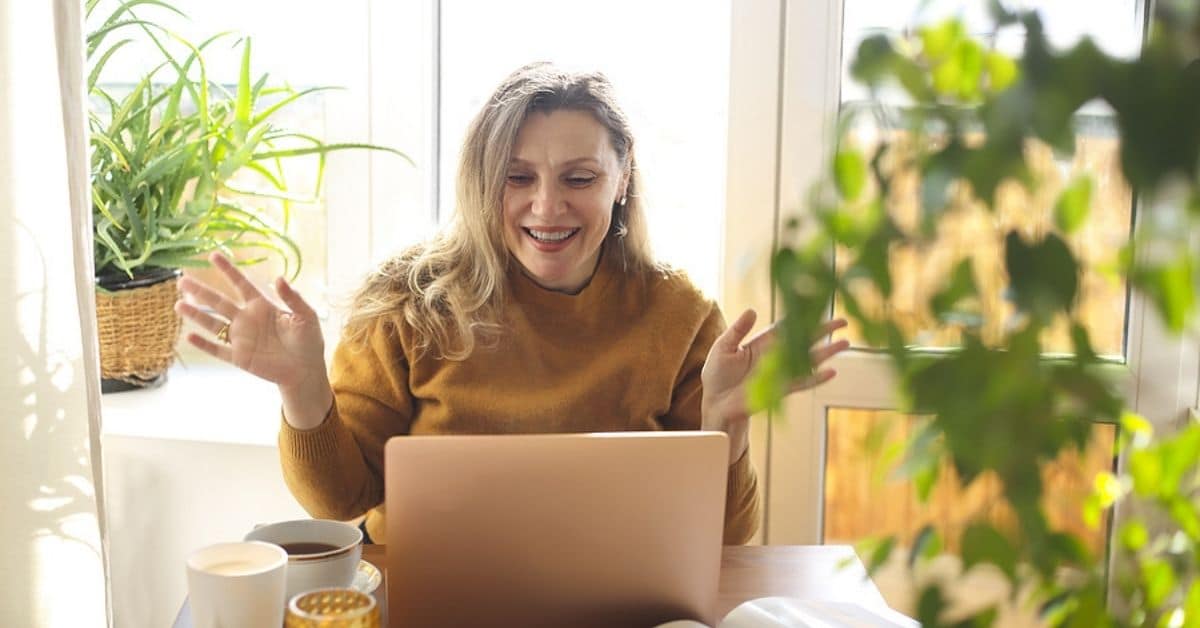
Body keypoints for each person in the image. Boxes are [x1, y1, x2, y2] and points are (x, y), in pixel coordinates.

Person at [174, 62, 849, 545]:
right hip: (428, 595)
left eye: (579, 177)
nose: (547, 207)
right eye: (516, 178)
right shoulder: (407, 303)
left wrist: (725, 426)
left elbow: (724, 542)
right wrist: (303, 390)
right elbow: (341, 501)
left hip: (617, 602)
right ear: (481, 182)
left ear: (622, 178)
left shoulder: (675, 312)